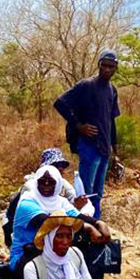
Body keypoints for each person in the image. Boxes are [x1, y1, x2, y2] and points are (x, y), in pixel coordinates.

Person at [53, 51, 120, 218]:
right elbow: (60, 103)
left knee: (98, 192)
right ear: (98, 65)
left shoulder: (112, 90)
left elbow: (112, 121)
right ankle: (82, 226)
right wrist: (78, 125)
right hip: (89, 145)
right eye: (104, 65)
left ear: (115, 69)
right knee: (85, 193)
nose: (107, 69)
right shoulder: (87, 85)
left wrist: (115, 149)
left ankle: (95, 225)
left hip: (104, 148)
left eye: (111, 66)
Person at [9, 164, 108, 276]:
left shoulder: (60, 201)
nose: (46, 185)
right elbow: (50, 224)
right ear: (36, 183)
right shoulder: (27, 202)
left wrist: (97, 223)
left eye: (51, 182)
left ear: (58, 184)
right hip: (25, 257)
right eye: (42, 181)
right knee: (65, 237)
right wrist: (88, 227)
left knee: (87, 243)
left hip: (49, 252)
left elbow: (78, 217)